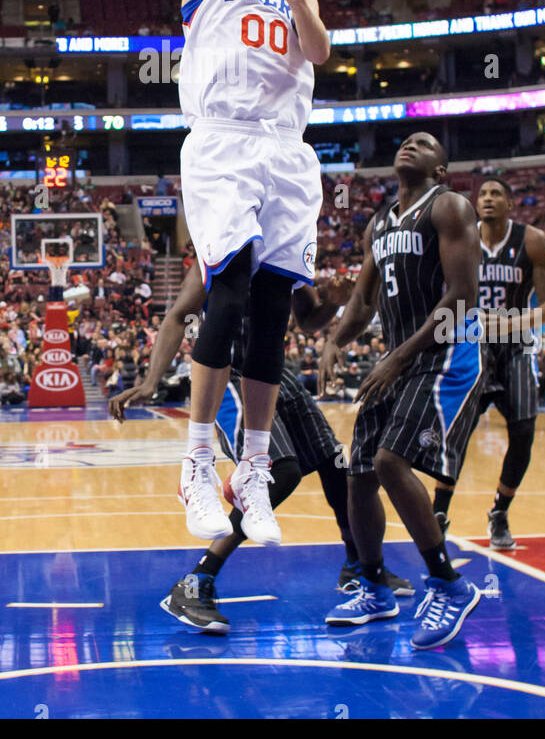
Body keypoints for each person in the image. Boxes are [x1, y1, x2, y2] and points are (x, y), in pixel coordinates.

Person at [161, 0, 330, 548]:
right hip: (224, 145)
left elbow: (321, 56)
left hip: (286, 153)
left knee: (271, 313)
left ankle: (253, 472)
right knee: (225, 291)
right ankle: (197, 460)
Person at [111, 263, 412, 632]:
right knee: (280, 471)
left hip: (274, 376)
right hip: (228, 377)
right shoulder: (219, 251)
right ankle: (194, 584)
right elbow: (177, 317)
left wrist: (333, 302)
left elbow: (309, 320)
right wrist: (150, 381)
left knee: (335, 464)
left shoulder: (283, 250)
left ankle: (358, 568)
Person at [318, 131, 484, 651]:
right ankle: (373, 586)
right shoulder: (380, 223)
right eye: (406, 141)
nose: (410, 145)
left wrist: (395, 358)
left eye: (425, 142)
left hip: (444, 352)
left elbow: (461, 297)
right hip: (399, 357)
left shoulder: (451, 206)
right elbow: (364, 301)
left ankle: (448, 584)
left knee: (391, 462)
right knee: (359, 473)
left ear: (440, 170)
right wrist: (334, 341)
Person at [433, 178, 545, 550]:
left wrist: (510, 323)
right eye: (483, 194)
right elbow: (442, 293)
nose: (487, 199)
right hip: (473, 347)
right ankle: (438, 512)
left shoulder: (532, 240)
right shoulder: (462, 238)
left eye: (495, 194)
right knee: (456, 433)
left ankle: (500, 511)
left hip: (517, 346)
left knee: (523, 434)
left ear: (509, 202)